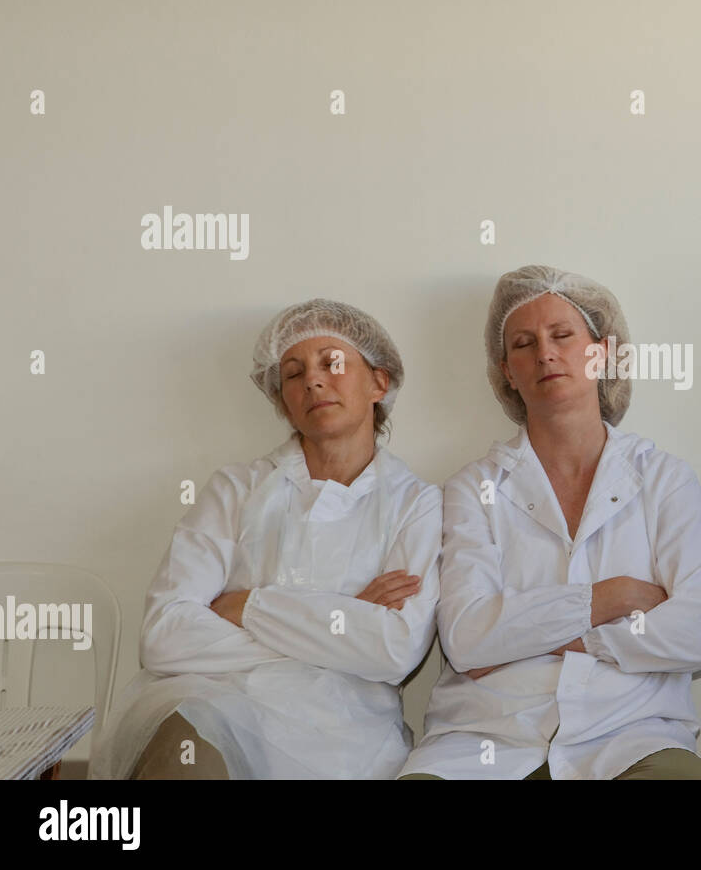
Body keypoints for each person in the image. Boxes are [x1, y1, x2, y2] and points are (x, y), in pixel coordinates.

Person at [89, 299, 442, 779]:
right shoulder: (234, 490)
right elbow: (163, 636)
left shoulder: (416, 503)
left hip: (349, 740)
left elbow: (394, 651)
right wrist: (341, 617)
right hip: (217, 710)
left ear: (378, 383)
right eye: (294, 373)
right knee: (186, 742)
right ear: (282, 401)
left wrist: (247, 606)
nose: (313, 381)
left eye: (332, 363)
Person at [398, 265, 701, 779]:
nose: (545, 354)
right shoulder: (473, 489)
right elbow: (466, 640)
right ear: (507, 372)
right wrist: (611, 598)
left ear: (602, 352)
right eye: (524, 344)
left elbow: (692, 634)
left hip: (631, 736)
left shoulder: (665, 480)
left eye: (562, 335)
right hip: (487, 740)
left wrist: (536, 635)